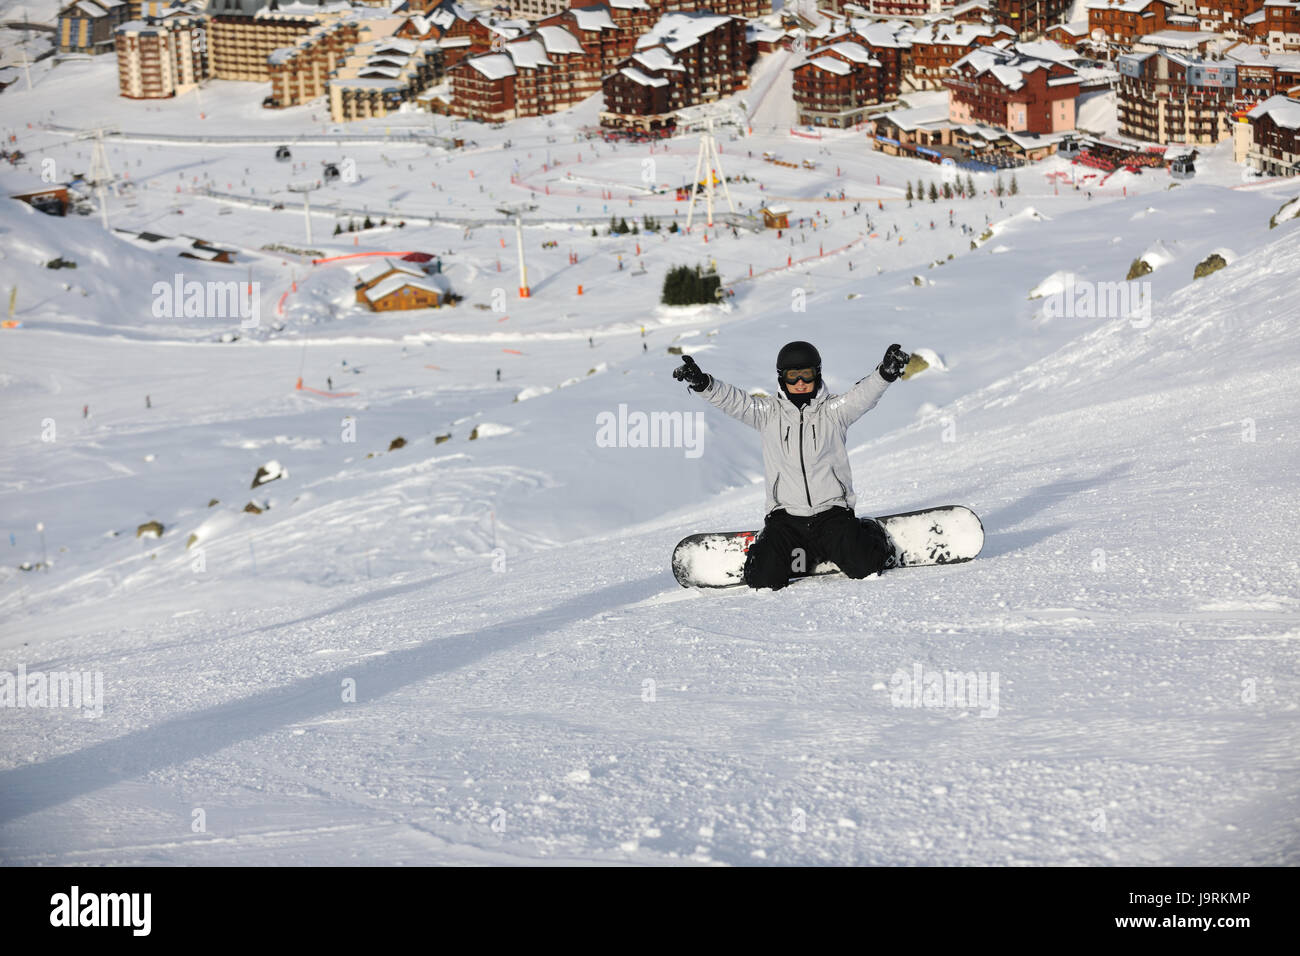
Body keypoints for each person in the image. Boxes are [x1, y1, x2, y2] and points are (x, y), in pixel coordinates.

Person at [673, 341, 911, 590]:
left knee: (866, 568)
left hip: (832, 515)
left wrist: (885, 373)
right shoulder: (767, 413)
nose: (800, 382)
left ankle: (870, 532)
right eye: (792, 375)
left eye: (806, 374)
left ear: (816, 373)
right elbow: (735, 401)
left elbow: (863, 396)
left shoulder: (834, 411)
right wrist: (703, 383)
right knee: (763, 581)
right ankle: (768, 546)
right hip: (786, 519)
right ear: (781, 378)